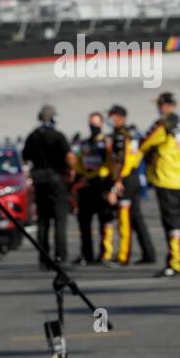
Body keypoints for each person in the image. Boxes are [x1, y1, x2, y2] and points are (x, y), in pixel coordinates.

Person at [140, 92, 180, 276]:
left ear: (166, 105)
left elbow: (144, 142)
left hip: (165, 178)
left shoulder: (163, 124)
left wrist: (151, 151)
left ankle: (174, 263)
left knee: (172, 222)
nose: (159, 108)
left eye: (160, 104)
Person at [103, 105, 156, 266]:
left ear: (119, 117)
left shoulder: (120, 135)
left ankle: (123, 256)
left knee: (124, 219)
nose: (110, 120)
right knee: (136, 217)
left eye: (112, 116)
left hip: (124, 178)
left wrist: (116, 184)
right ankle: (149, 253)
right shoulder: (133, 133)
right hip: (133, 177)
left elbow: (120, 161)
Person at [21, 105, 72, 267]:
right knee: (59, 220)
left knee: (43, 221)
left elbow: (25, 157)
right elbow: (69, 156)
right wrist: (71, 173)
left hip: (39, 180)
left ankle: (43, 257)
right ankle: (60, 256)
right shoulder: (58, 136)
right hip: (56, 180)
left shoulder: (33, 136)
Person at [72, 112, 113, 265]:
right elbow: (79, 163)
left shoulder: (107, 142)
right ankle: (86, 254)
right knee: (84, 222)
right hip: (87, 185)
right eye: (91, 123)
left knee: (105, 221)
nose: (93, 126)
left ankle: (105, 254)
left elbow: (111, 164)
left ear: (102, 124)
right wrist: (81, 177)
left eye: (96, 123)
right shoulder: (85, 143)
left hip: (101, 183)